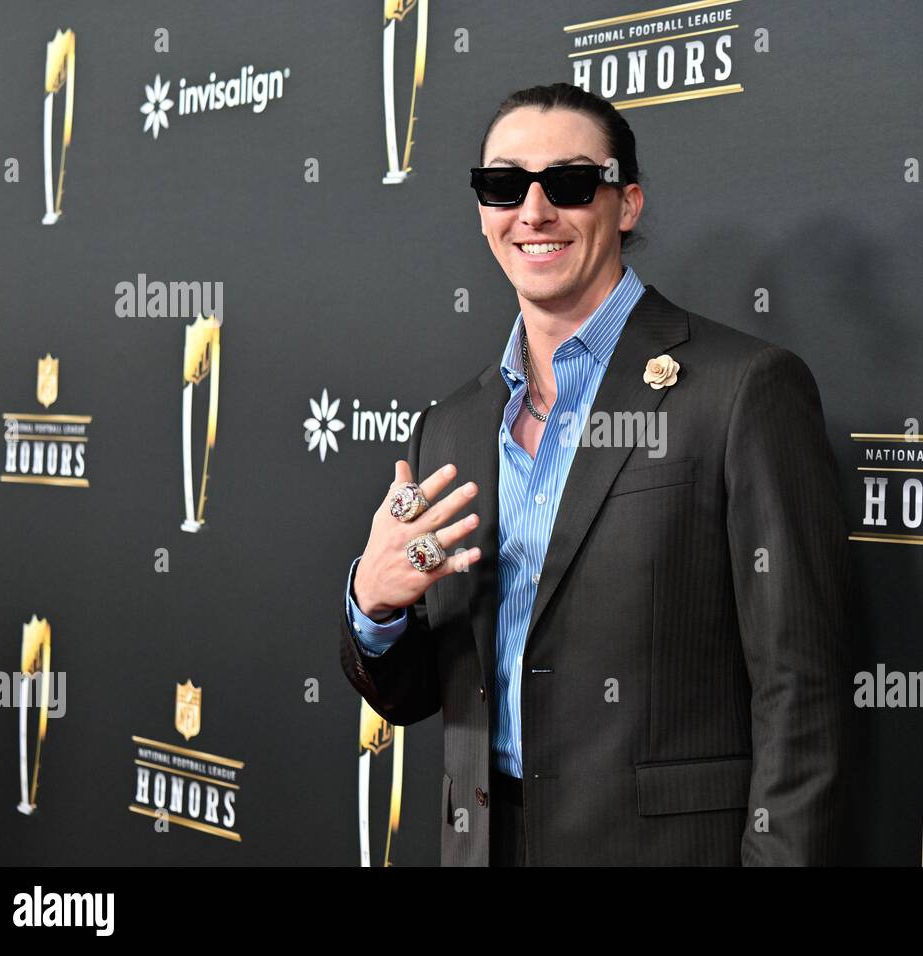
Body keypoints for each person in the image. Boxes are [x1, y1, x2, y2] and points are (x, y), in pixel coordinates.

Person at [340, 82, 849, 865]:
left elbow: (799, 687)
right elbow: (412, 697)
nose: (534, 212)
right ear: (483, 209)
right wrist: (374, 608)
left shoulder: (743, 388)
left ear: (628, 202)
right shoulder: (450, 425)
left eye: (571, 183)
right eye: (504, 185)